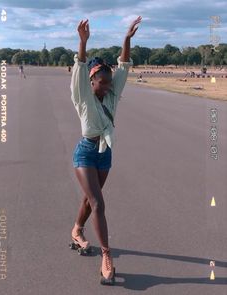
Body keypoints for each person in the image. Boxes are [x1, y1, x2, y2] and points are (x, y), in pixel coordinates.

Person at [70, 16, 142, 284]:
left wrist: (126, 40)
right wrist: (82, 42)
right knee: (99, 203)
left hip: (105, 153)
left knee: (89, 200)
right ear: (91, 80)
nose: (107, 86)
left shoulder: (112, 93)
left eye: (109, 82)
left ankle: (77, 230)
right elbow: (79, 67)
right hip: (86, 152)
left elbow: (123, 66)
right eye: (102, 82)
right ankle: (106, 256)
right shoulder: (82, 96)